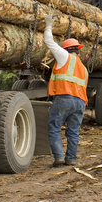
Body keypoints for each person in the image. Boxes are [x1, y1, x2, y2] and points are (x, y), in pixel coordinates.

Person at [44, 15, 89, 167]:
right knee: (73, 131)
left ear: (65, 49)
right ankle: (71, 159)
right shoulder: (83, 68)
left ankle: (58, 157)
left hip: (64, 98)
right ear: (78, 50)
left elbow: (49, 42)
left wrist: (48, 25)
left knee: (54, 126)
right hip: (80, 102)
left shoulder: (64, 56)